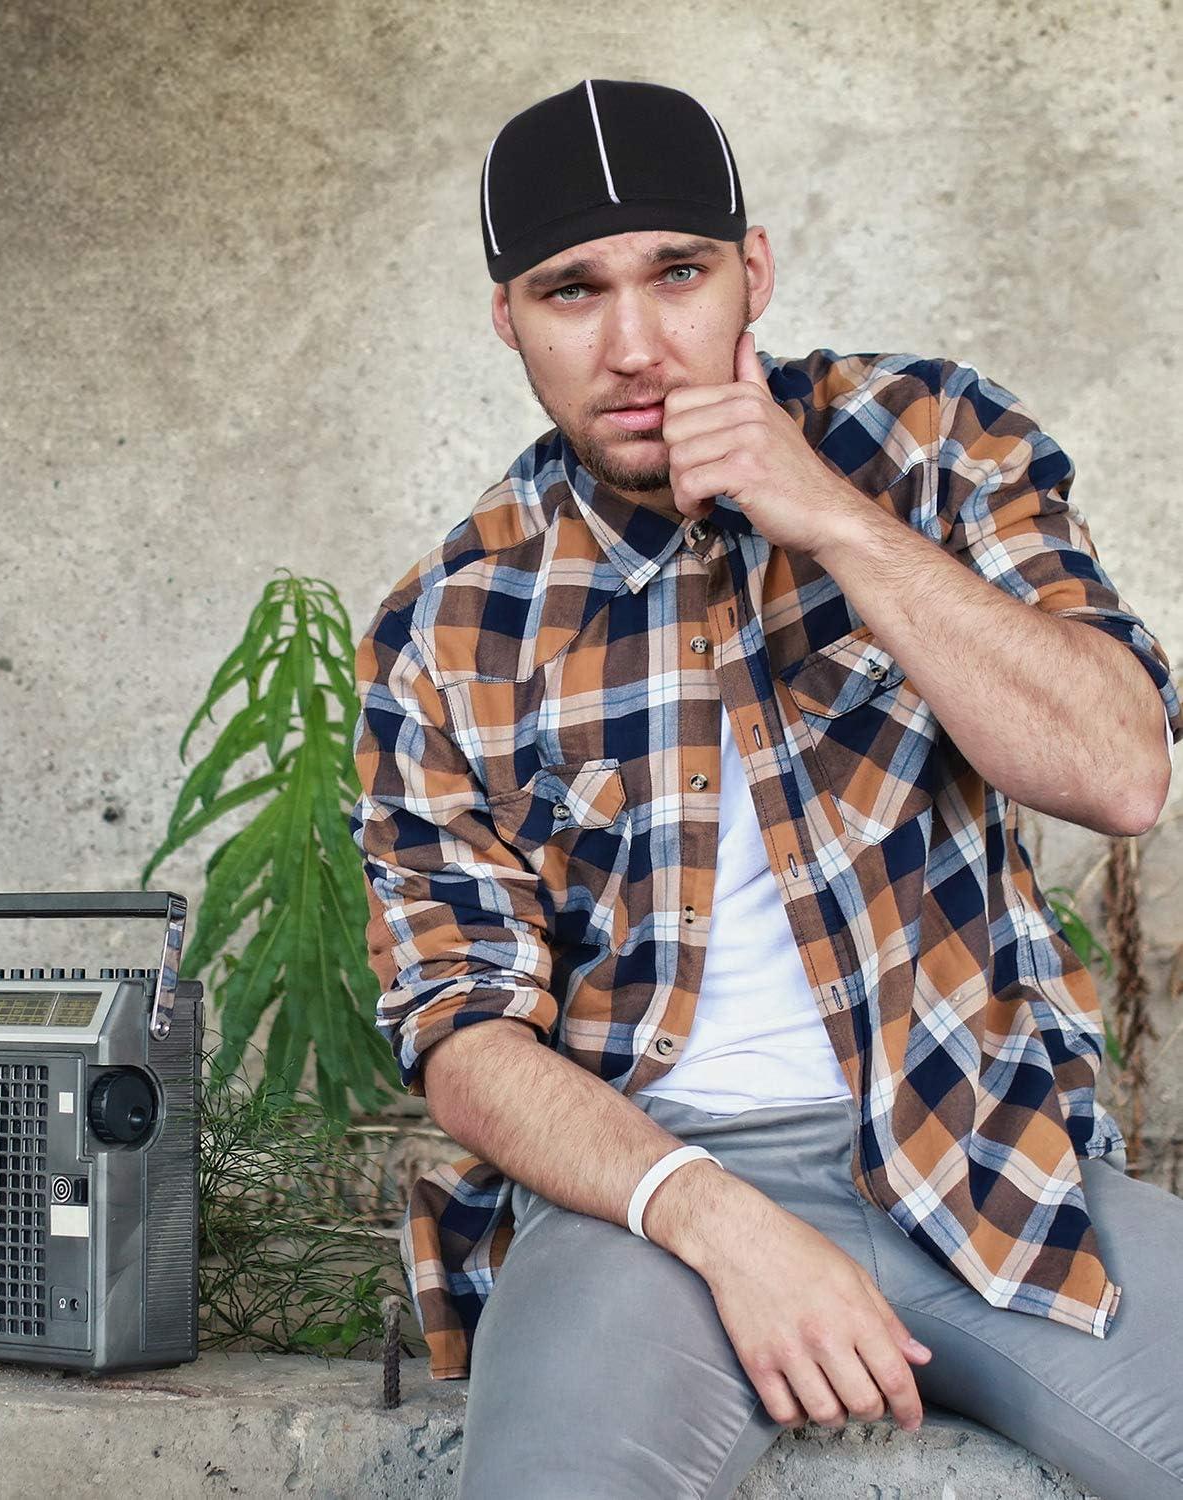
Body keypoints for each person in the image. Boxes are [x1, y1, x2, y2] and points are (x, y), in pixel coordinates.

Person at [348, 78, 1183, 1497]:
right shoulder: (453, 620)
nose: (636, 347)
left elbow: (1117, 772)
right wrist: (711, 1217)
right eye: (571, 291)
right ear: (507, 319)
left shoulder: (930, 444)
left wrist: (832, 522)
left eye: (679, 274)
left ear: (756, 271)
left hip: (985, 1152)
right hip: (640, 1209)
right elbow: (461, 1032)